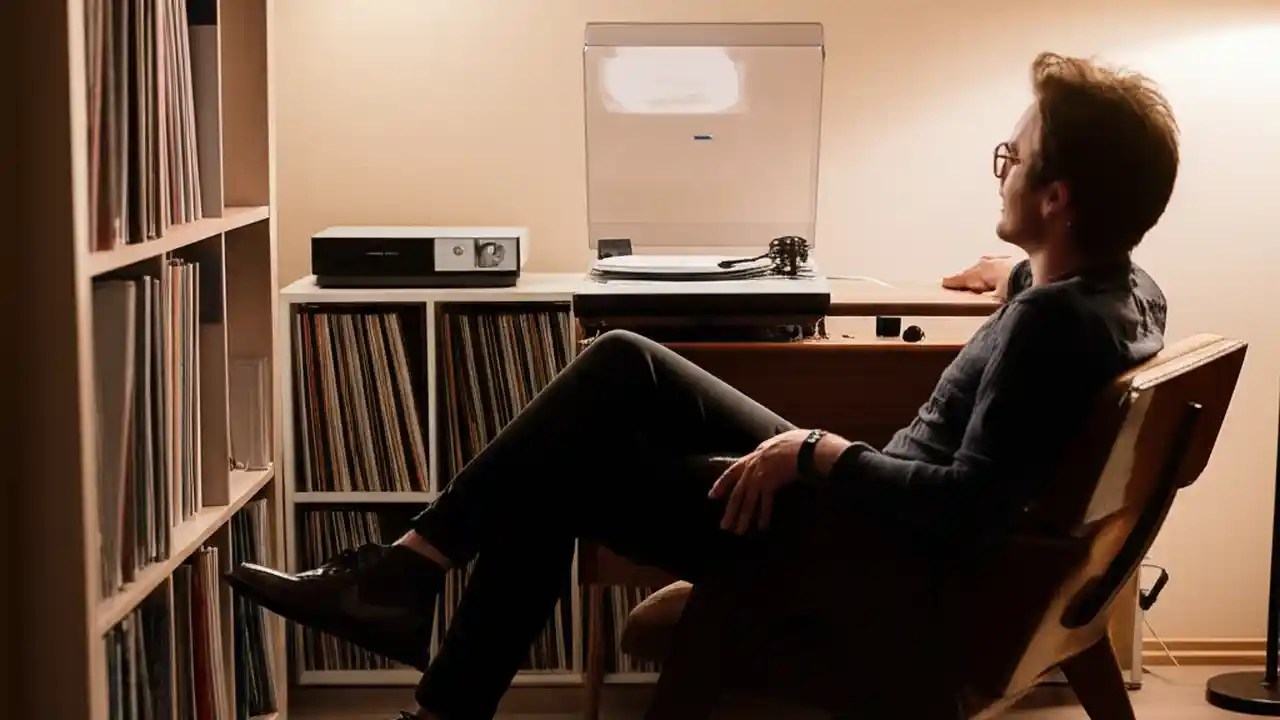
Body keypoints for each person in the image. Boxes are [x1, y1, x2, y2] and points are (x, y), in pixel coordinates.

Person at [226, 51, 1178, 719]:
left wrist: (811, 450)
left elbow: (966, 510)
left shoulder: (1053, 327)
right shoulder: (1116, 291)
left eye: (1012, 158)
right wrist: (1008, 270)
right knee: (624, 359)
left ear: (1056, 198)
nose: (1000, 169)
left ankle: (414, 616)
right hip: (864, 512)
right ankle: (408, 588)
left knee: (566, 466)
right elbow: (1034, 340)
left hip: (864, 547)